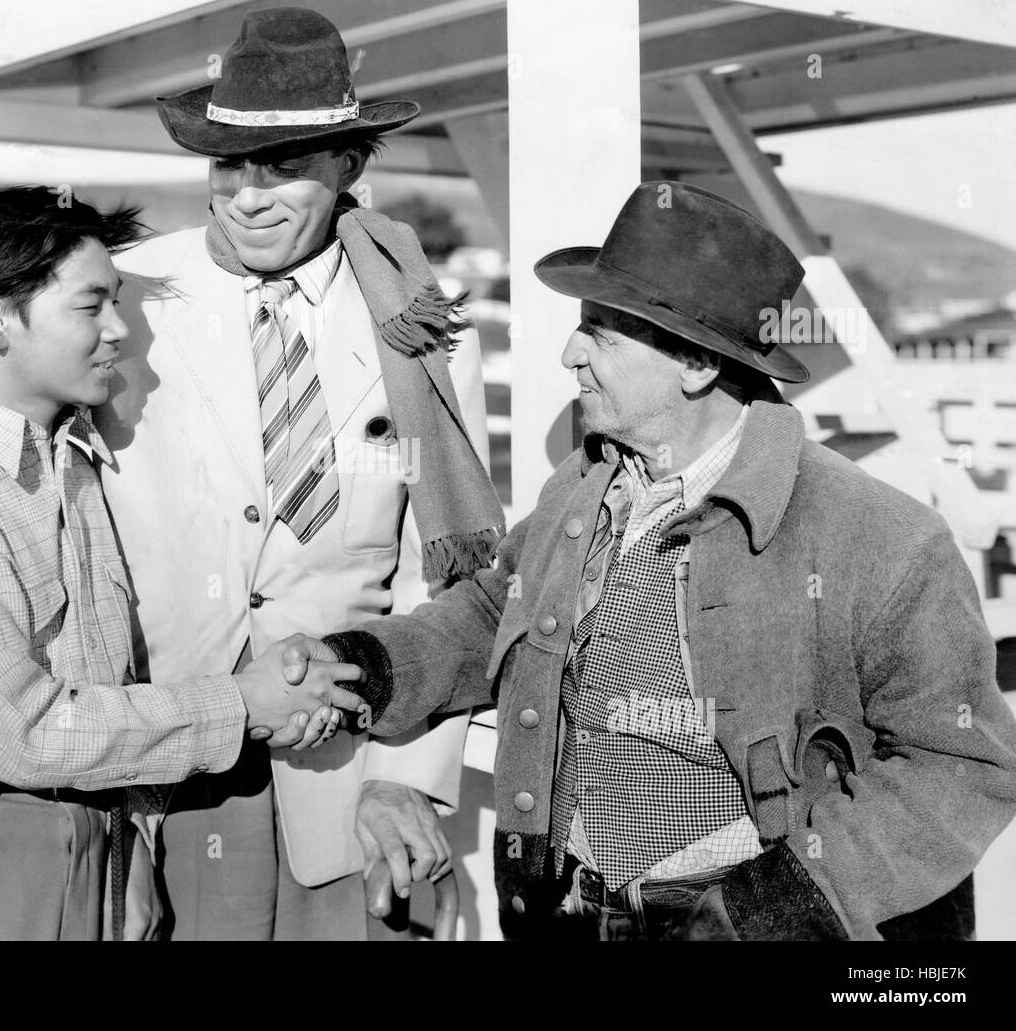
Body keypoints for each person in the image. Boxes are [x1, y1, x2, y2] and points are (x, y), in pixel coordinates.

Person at [0, 8, 502, 941]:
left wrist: (408, 787)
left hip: (346, 770)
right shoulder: (125, 294)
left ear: (350, 165)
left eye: (288, 165)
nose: (251, 196)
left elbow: (450, 574)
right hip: (154, 782)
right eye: (231, 165)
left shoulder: (424, 329)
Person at [283, 181, 1016, 940]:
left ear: (695, 364)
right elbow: (489, 615)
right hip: (566, 915)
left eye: (600, 331)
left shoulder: (883, 539)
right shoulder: (586, 488)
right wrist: (361, 666)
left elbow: (963, 767)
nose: (570, 354)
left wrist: (774, 909)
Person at [0, 181, 362, 941]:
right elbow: (25, 730)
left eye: (118, 301)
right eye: (90, 307)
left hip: (96, 845)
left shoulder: (74, 461)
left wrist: (129, 846)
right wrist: (242, 705)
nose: (119, 330)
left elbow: (106, 679)